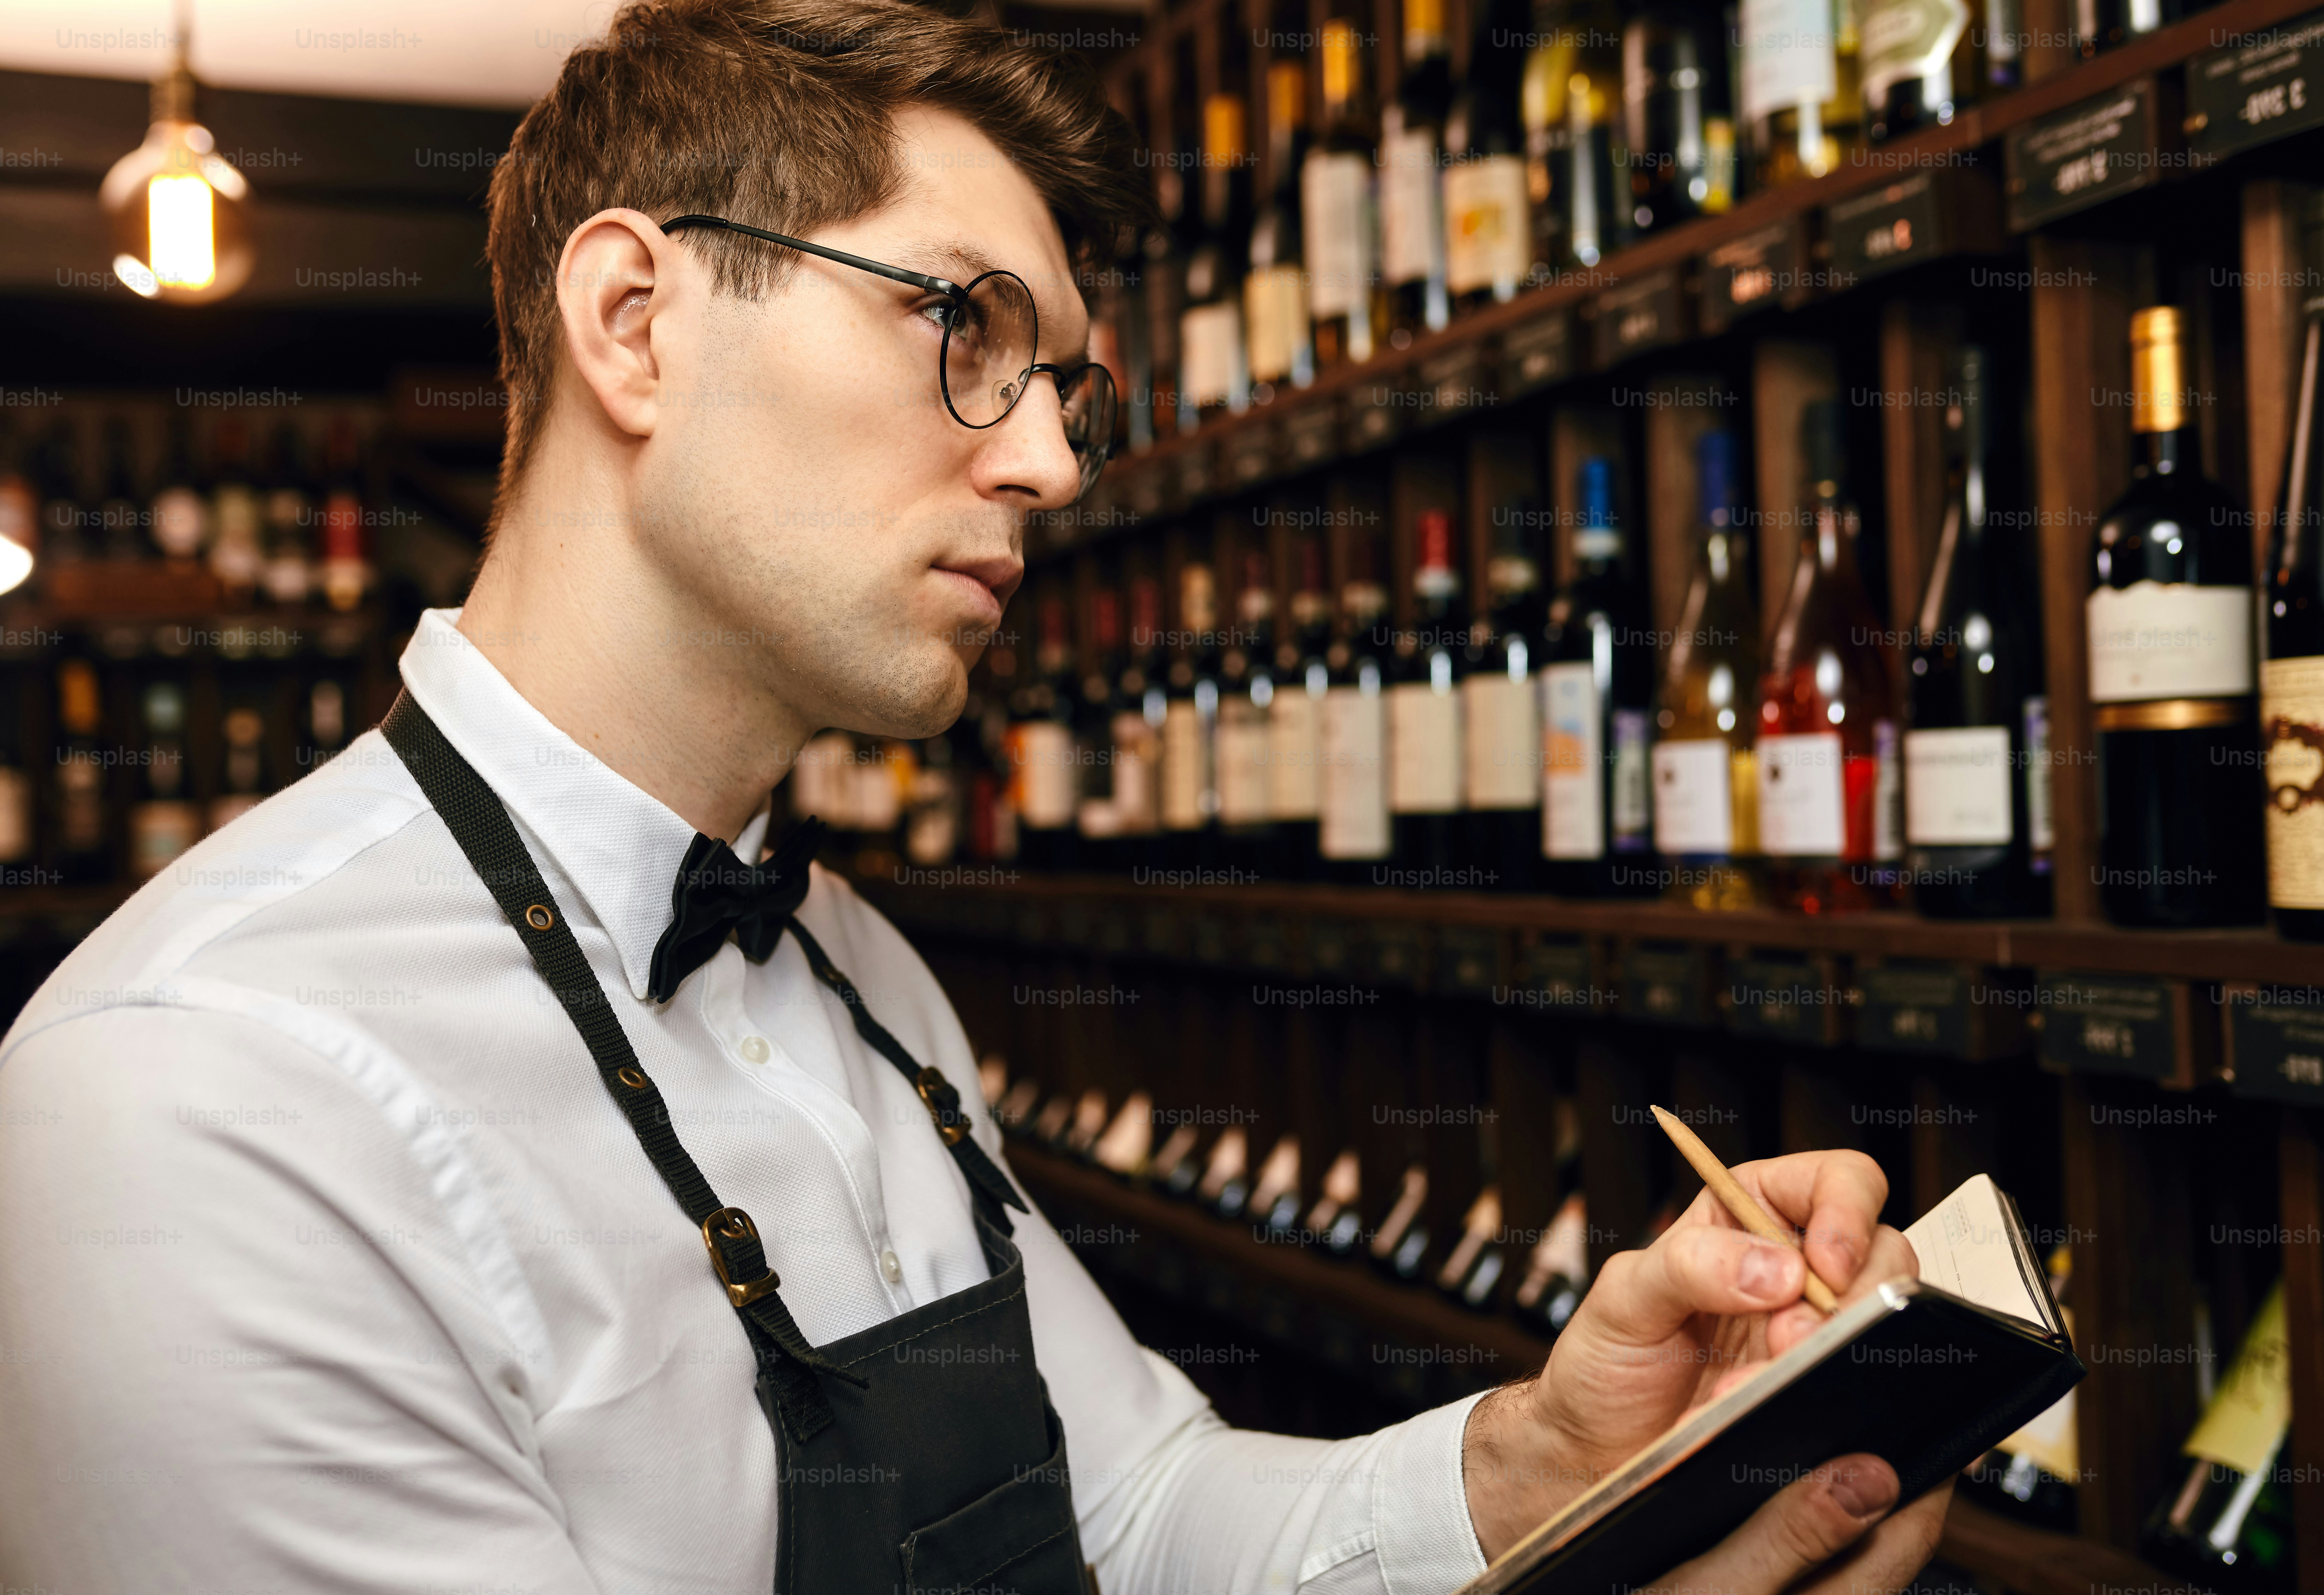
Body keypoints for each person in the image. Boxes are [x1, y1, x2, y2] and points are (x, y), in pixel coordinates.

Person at [0, 2, 1952, 1590]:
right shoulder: (198, 1094)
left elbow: (1134, 1513)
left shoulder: (852, 965)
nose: (1052, 465)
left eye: (1064, 386)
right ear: (634, 323)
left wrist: (1540, 1464)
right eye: (964, 329)